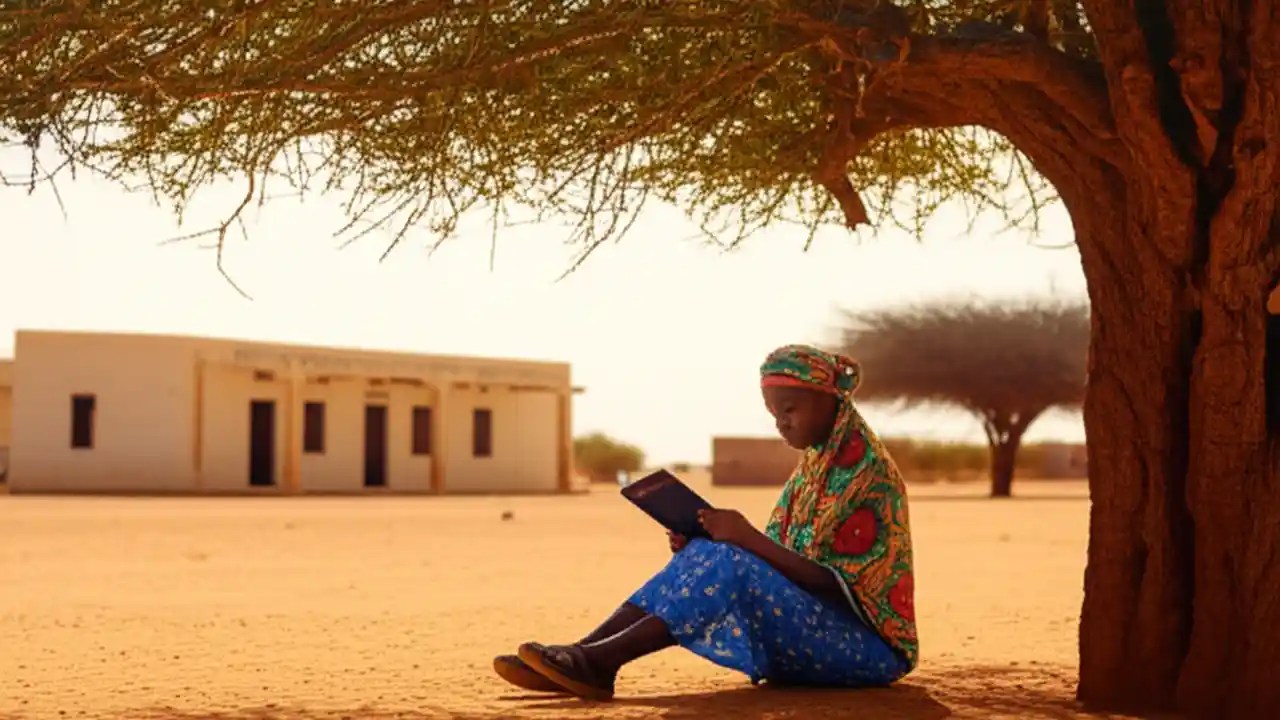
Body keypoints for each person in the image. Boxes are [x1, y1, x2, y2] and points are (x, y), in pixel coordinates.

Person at [493, 344, 917, 701]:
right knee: (709, 551)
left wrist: (747, 538)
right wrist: (706, 545)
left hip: (867, 651)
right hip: (813, 633)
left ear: (832, 402)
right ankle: (583, 653)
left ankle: (598, 663)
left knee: (729, 559)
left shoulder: (867, 476)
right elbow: (780, 567)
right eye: (773, 413)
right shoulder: (815, 470)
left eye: (790, 409)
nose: (781, 423)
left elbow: (842, 589)